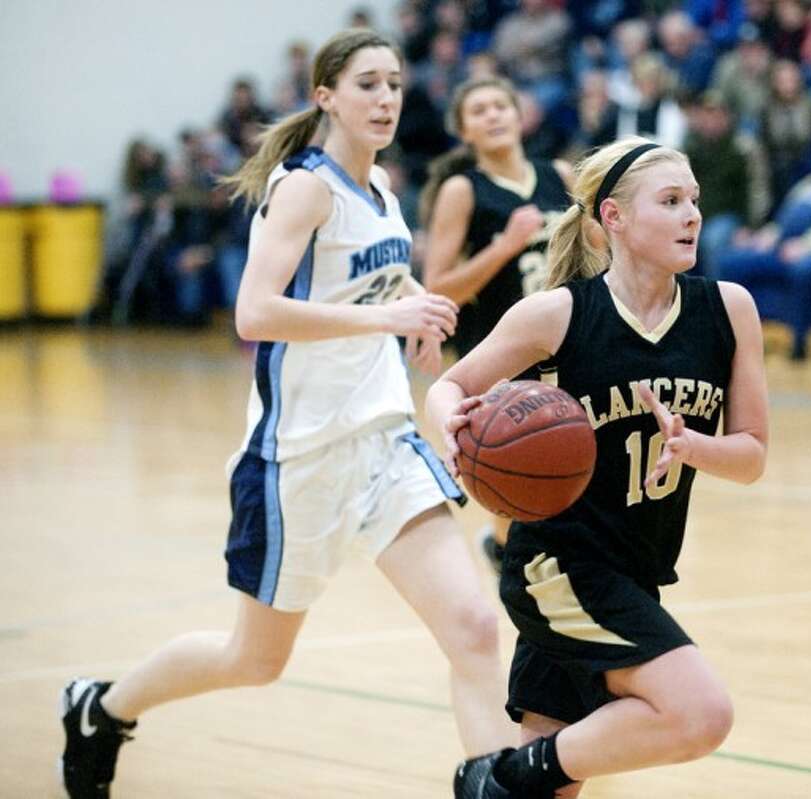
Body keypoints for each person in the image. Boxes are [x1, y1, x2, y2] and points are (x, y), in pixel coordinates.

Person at [58, 30, 514, 798]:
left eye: (395, 84)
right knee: (254, 659)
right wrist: (385, 320)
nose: (386, 99)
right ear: (325, 95)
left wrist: (417, 305)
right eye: (367, 83)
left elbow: (378, 273)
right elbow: (254, 312)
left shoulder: (381, 188)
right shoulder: (306, 188)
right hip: (297, 458)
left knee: (473, 628)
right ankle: (101, 708)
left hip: (384, 441)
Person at [425, 137, 769, 798]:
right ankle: (500, 774)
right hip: (558, 568)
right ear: (615, 217)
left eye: (694, 200)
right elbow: (451, 385)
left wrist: (693, 445)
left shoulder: (728, 309)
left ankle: (505, 782)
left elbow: (751, 454)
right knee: (701, 713)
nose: (692, 215)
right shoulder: (558, 314)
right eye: (671, 201)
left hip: (637, 570)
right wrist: (452, 424)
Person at [419, 76, 574, 574]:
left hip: (563, 342)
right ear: (464, 131)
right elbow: (438, 287)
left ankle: (535, 562)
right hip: (497, 351)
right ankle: (506, 554)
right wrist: (504, 247)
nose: (492, 115)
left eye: (500, 106)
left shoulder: (560, 175)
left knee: (569, 464)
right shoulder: (462, 190)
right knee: (515, 479)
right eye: (479, 110)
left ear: (518, 115)